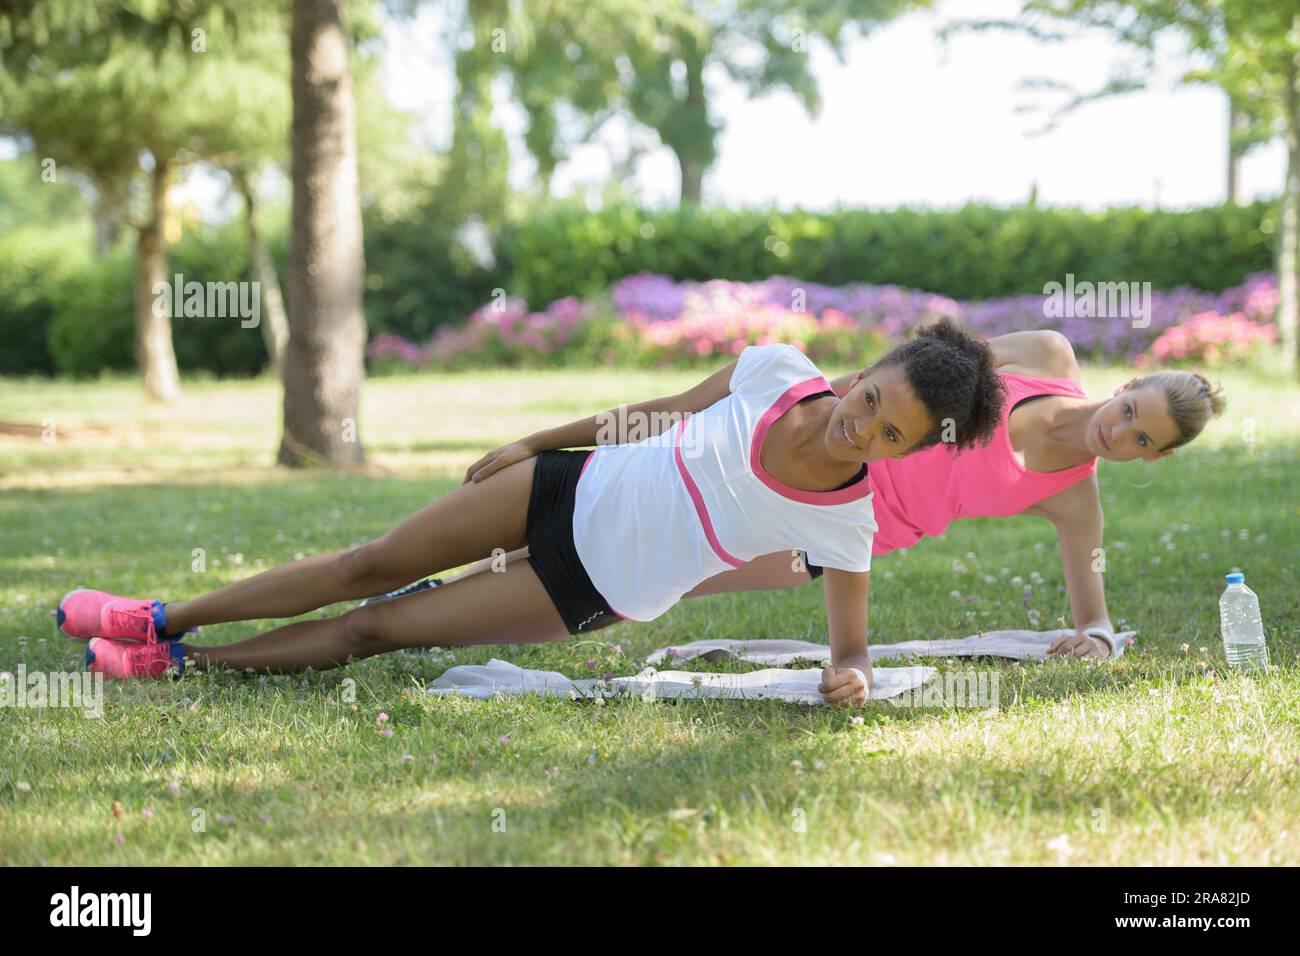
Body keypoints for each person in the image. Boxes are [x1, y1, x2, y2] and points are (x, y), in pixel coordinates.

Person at [57, 320, 1004, 707]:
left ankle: (178, 663)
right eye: (872, 400)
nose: (861, 429)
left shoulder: (846, 525)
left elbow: (849, 648)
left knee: (375, 628)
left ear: (908, 455)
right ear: (865, 371)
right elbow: (661, 413)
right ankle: (160, 614)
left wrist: (848, 678)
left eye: (889, 437)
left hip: (581, 585)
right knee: (364, 564)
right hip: (565, 483)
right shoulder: (775, 370)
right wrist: (532, 444)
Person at [459, 330, 1227, 660]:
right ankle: (469, 573)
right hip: (823, 446)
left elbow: (1094, 612)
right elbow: (930, 367)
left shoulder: (1074, 500)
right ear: (1125, 387)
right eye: (1130, 410)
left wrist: (1094, 636)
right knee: (634, 496)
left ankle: (470, 602)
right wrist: (834, 398)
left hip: (834, 535)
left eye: (1140, 440)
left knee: (664, 572)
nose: (1117, 433)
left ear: (1150, 458)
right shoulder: (1047, 355)